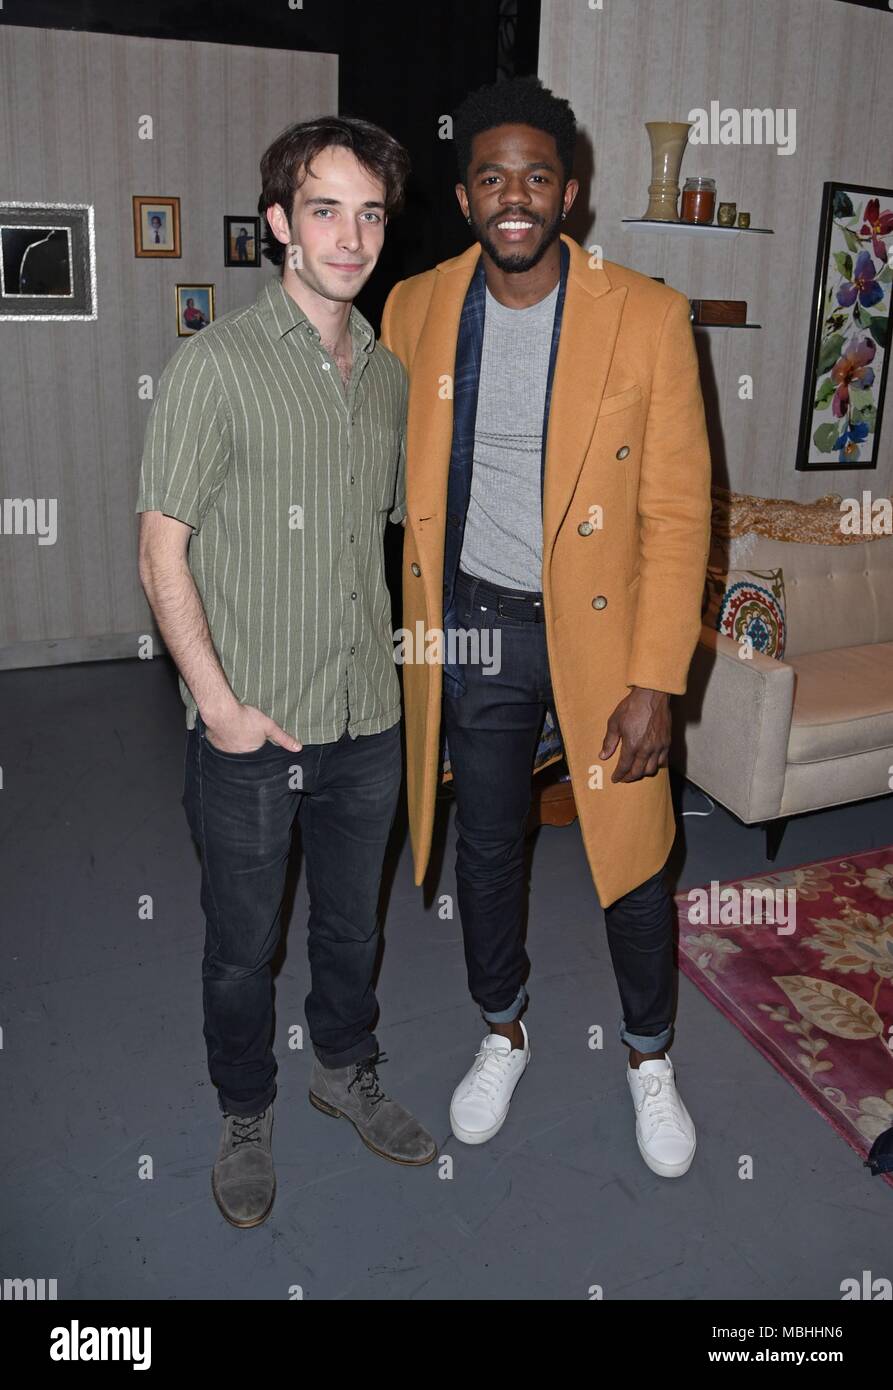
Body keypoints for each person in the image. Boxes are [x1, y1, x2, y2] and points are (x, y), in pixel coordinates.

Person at [380, 77, 712, 1178]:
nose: (511, 196)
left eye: (534, 176)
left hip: (605, 643)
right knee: (485, 850)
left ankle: (648, 1059)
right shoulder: (416, 306)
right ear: (464, 193)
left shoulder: (649, 315)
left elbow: (673, 513)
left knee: (628, 862)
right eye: (489, 176)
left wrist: (656, 678)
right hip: (472, 629)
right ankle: (502, 1030)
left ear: (569, 192)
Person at [136, 116, 435, 1229]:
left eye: (369, 213)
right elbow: (159, 546)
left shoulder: (391, 377)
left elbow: (385, 541)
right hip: (252, 730)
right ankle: (245, 1108)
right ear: (278, 225)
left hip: (366, 716)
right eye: (325, 209)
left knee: (352, 925)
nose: (351, 236)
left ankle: (342, 1068)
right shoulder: (212, 366)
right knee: (241, 942)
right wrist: (218, 708)